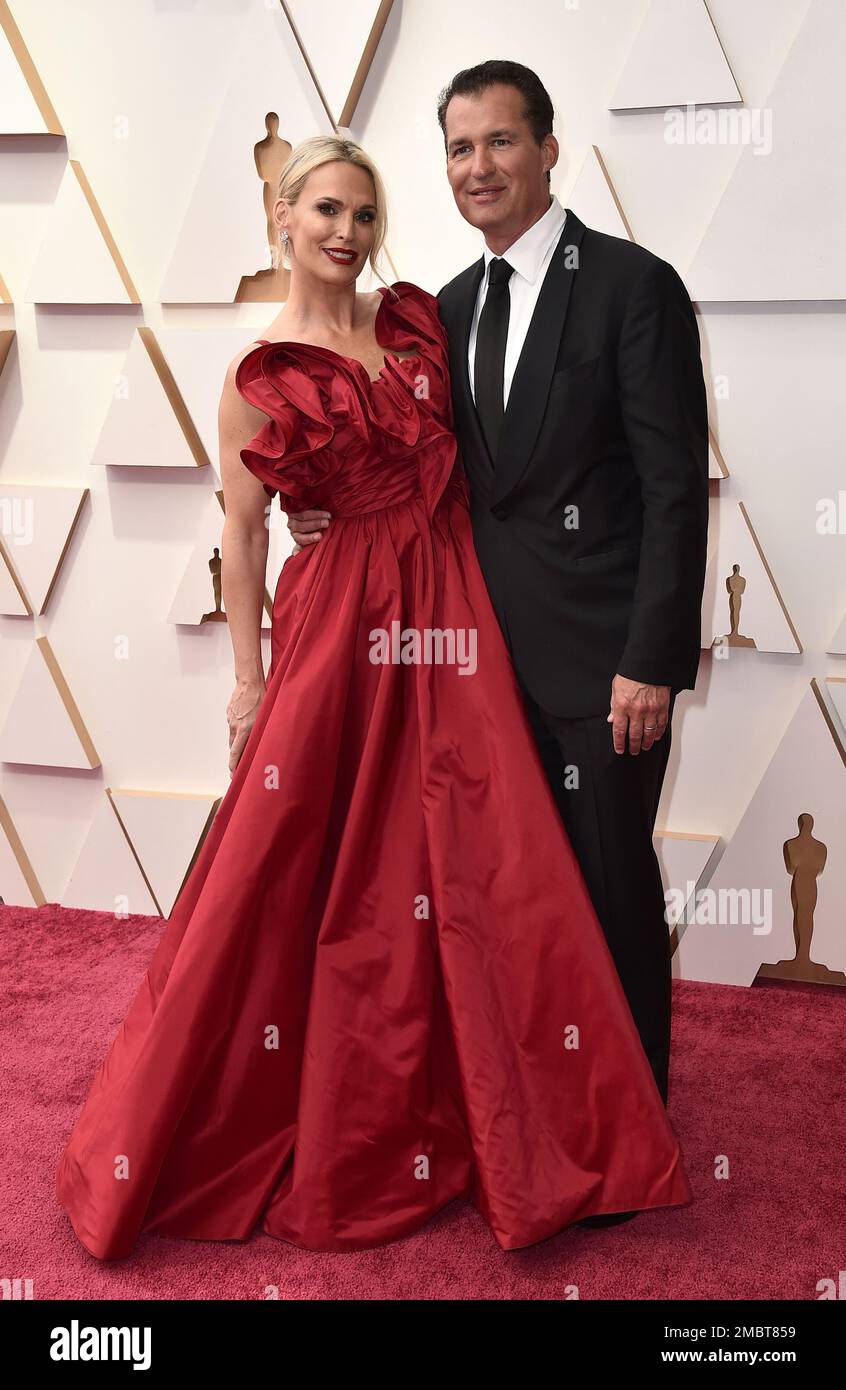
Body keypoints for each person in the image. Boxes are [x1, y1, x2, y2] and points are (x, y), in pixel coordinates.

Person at [55, 134, 692, 1261]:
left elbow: (491, 453)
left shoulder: (415, 322)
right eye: (327, 213)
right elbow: (244, 532)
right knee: (314, 863)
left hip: (451, 611)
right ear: (282, 218)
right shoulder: (257, 372)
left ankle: (500, 1109)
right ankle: (297, 1113)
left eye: (364, 214)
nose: (347, 234)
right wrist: (250, 679)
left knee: (475, 858)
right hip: (344, 625)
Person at [288, 64, 709, 1140]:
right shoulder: (447, 308)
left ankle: (631, 1136)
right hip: (475, 669)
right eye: (460, 149)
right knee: (516, 911)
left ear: (549, 148)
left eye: (501, 142)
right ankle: (538, 1122)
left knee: (611, 901)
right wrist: (321, 512)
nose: (479, 167)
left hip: (606, 669)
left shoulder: (631, 285)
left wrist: (652, 658)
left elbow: (674, 488)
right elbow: (424, 470)